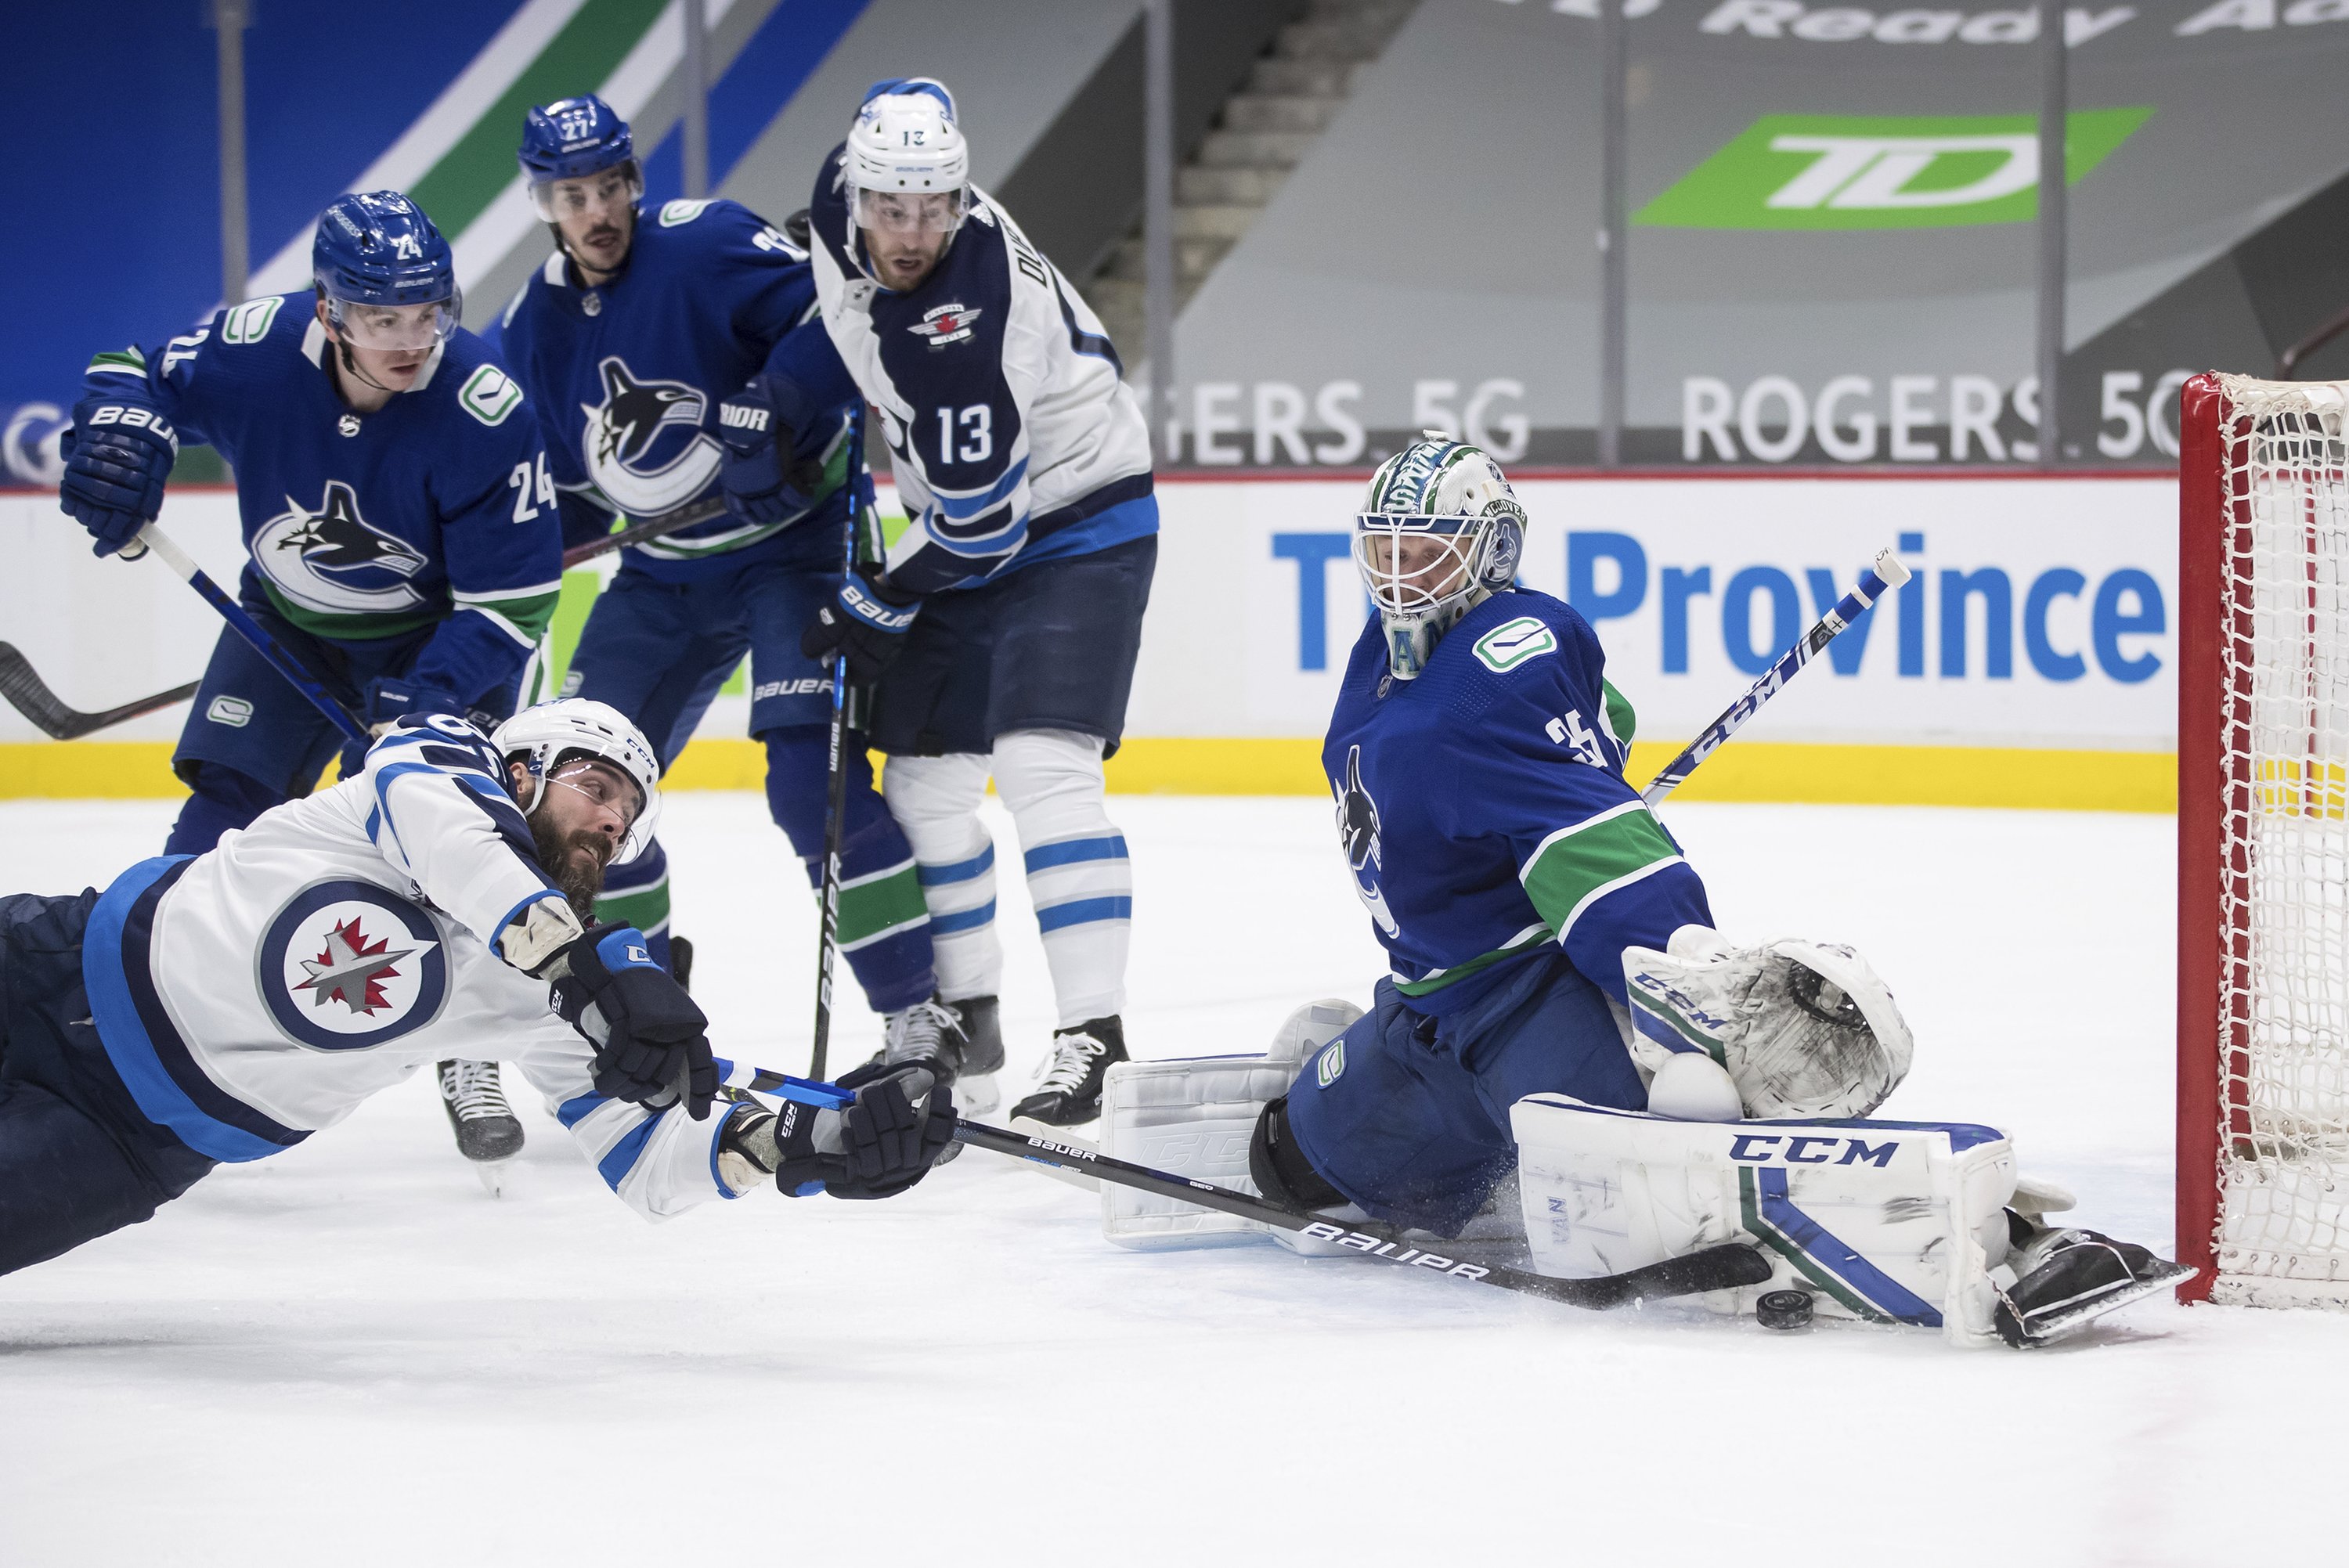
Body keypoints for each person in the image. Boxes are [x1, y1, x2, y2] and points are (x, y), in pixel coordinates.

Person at [1092, 435, 2188, 1347]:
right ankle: (1435, 1104)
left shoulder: (1487, 681)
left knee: (1663, 1173)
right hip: (1429, 1007)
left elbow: (1590, 844)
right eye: (1384, 547)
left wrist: (1679, 967)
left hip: (1534, 1003)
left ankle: (1989, 1232)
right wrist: (1569, 768)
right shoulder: (1404, 650)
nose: (1399, 572)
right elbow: (1598, 715)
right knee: (1284, 1168)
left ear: (1489, 553)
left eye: (1427, 549)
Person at [0, 698, 957, 1279]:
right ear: (519, 768)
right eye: (595, 784)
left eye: (629, 814)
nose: (611, 820)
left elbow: (649, 1161)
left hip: (128, 1143)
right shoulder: (431, 765)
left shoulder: (552, 992)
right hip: (44, 963)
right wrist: (581, 965)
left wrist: (806, 1142)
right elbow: (454, 839)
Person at [56, 191, 562, 1176]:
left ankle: (469, 1052)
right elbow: (131, 371)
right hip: (287, 619)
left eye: (428, 313)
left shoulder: (484, 409)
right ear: (328, 313)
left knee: (447, 850)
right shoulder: (254, 347)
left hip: (439, 643)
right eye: (381, 320)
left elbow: (515, 605)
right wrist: (122, 439)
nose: (411, 339)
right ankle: (133, 1010)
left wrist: (426, 700)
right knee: (218, 815)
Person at [490, 96, 966, 1101]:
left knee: (810, 782)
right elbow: (552, 479)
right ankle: (642, 1000)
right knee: (581, 787)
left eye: (610, 186)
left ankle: (918, 1016)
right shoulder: (531, 327)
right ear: (545, 204)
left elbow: (842, 322)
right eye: (573, 196)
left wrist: (779, 412)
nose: (597, 211)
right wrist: (534, 537)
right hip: (662, 576)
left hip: (793, 546)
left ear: (632, 181)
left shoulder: (704, 245)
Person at [800, 78, 1158, 1126]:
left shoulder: (970, 331)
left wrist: (876, 598)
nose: (911, 234)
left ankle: (1094, 1033)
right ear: (859, 188)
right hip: (961, 515)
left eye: (934, 210)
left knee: (1046, 766)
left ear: (960, 201)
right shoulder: (838, 195)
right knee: (922, 785)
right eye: (892, 208)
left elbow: (981, 530)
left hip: (1075, 519)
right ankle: (968, 1015)